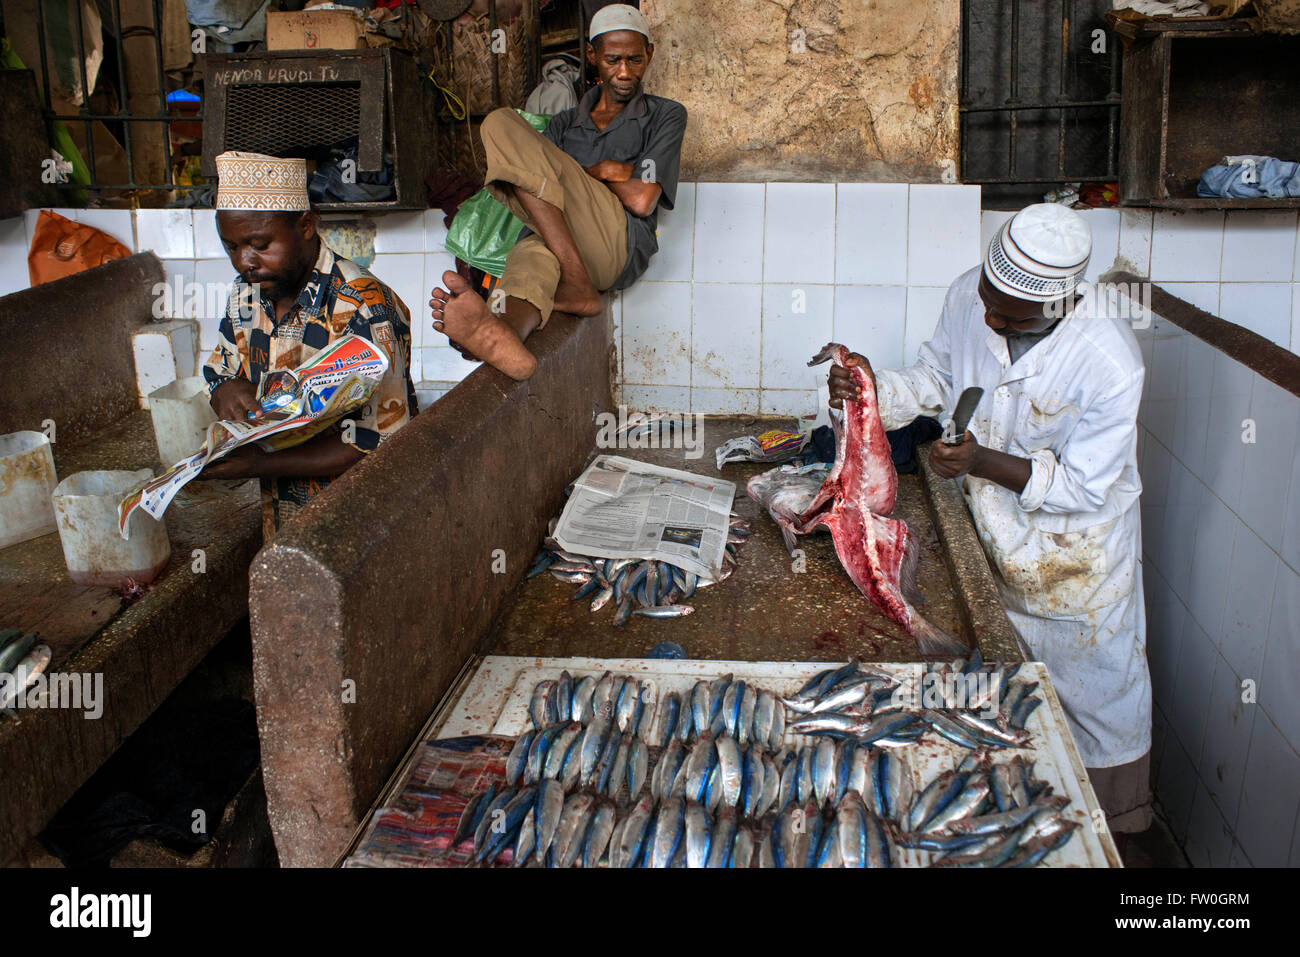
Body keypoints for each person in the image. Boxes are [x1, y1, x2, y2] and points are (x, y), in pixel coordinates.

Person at [828, 204, 1151, 850]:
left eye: (1009, 317)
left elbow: (1084, 484)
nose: (991, 320)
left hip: (1077, 570)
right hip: (993, 534)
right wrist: (871, 386)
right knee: (1000, 733)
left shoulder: (1111, 361)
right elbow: (938, 377)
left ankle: (1110, 856)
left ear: (1059, 305)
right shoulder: (970, 296)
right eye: (987, 301)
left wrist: (978, 460)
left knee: (1091, 734)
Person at [429, 3, 686, 380]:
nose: (625, 72)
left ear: (650, 53)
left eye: (635, 59)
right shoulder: (565, 123)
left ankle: (577, 283)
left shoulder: (665, 114)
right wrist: (614, 172)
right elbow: (537, 187)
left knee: (507, 129)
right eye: (613, 59)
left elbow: (642, 199)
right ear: (591, 54)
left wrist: (588, 174)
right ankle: (504, 332)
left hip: (617, 245)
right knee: (531, 256)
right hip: (562, 246)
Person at [200, 151, 418, 539]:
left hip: (359, 521)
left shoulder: (363, 306)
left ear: (305, 225)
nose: (243, 261)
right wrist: (227, 390)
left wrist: (257, 465)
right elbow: (221, 371)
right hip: (284, 515)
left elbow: (376, 442)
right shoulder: (246, 293)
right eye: (231, 246)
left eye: (259, 244)